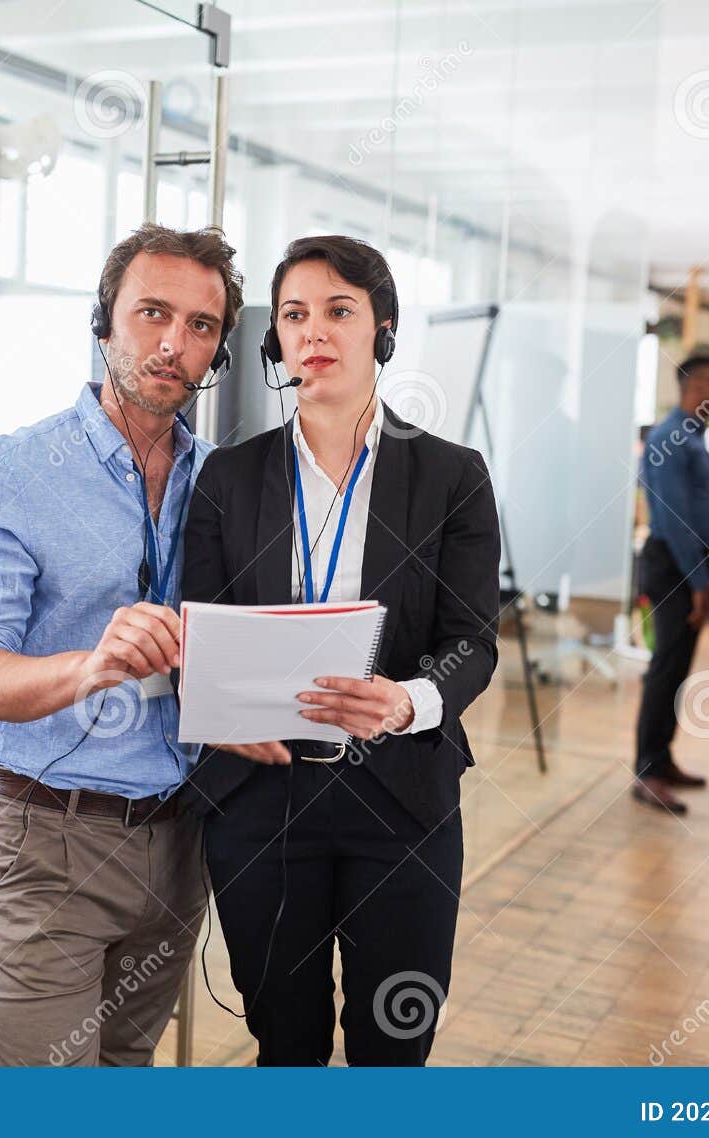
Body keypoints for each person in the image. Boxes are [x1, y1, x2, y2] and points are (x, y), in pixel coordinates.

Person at [181, 235, 501, 1065]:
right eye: (294, 314)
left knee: (395, 1045)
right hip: (262, 796)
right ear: (275, 341)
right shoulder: (228, 478)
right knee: (285, 1043)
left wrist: (408, 699)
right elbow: (201, 630)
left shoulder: (452, 477)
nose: (314, 330)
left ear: (380, 332)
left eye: (338, 310)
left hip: (401, 798)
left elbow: (474, 641)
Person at [0, 223, 242, 1065]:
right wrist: (94, 664)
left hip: (180, 843)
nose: (172, 344)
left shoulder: (222, 483)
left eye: (200, 326)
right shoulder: (16, 471)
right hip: (47, 840)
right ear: (104, 322)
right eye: (152, 313)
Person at [632, 350, 709, 815]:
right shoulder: (671, 438)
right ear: (695, 387)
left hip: (688, 565)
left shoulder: (691, 437)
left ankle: (662, 758)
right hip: (672, 565)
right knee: (664, 668)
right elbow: (673, 520)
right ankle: (647, 772)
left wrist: (707, 575)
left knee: (677, 668)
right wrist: (699, 581)